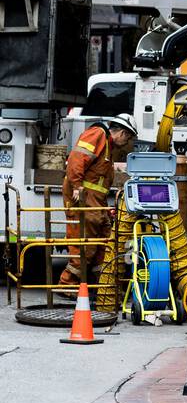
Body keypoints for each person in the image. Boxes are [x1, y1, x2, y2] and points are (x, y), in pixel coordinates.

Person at [58, 113, 138, 291]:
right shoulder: (98, 134)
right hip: (84, 201)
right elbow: (76, 159)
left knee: (105, 241)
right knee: (85, 244)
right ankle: (67, 285)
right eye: (129, 138)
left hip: (95, 203)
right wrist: (78, 187)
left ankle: (101, 285)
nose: (127, 143)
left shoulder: (107, 146)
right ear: (122, 133)